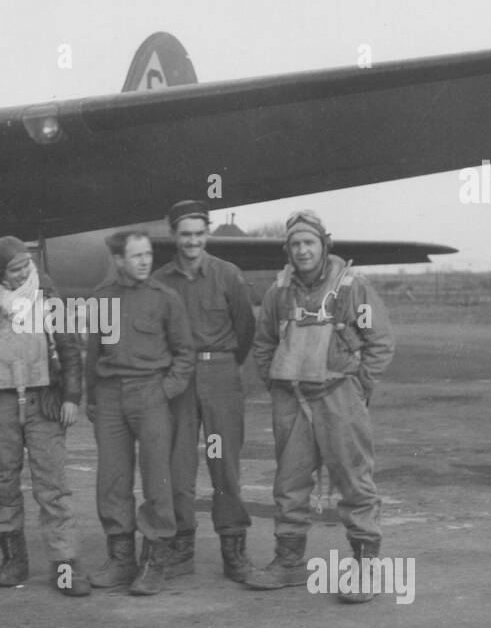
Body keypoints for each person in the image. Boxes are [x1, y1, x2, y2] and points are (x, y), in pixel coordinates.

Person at [248, 210, 395, 602]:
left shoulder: (351, 287)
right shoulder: (278, 291)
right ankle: (289, 563)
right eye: (295, 244)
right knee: (289, 484)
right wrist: (274, 381)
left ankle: (366, 570)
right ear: (288, 249)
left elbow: (380, 341)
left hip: (338, 396)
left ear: (323, 245)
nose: (302, 250)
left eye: (309, 242)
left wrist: (358, 386)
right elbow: (263, 344)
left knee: (354, 481)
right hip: (292, 399)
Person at [0, 236, 88, 595]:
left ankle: (65, 568)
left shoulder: (46, 297)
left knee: (53, 487)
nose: (23, 272)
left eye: (27, 265)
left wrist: (71, 396)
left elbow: (69, 347)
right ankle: (13, 559)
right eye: (15, 268)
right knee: (2, 484)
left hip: (44, 402)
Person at [85, 229, 194, 596]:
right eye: (137, 256)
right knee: (112, 478)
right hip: (110, 396)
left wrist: (165, 391)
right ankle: (120, 559)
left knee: (157, 478)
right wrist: (93, 399)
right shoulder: (101, 298)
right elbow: (93, 354)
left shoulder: (166, 298)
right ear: (118, 260)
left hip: (151, 393)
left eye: (148, 254)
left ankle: (154, 560)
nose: (146, 261)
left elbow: (184, 353)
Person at [153, 201, 257, 583]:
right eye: (185, 234)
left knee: (224, 464)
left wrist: (223, 366)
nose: (193, 241)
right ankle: (182, 549)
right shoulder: (161, 280)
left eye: (199, 234)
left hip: (220, 376)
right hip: (179, 378)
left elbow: (245, 329)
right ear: (173, 235)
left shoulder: (228, 275)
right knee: (177, 468)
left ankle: (234, 551)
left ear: (207, 234)